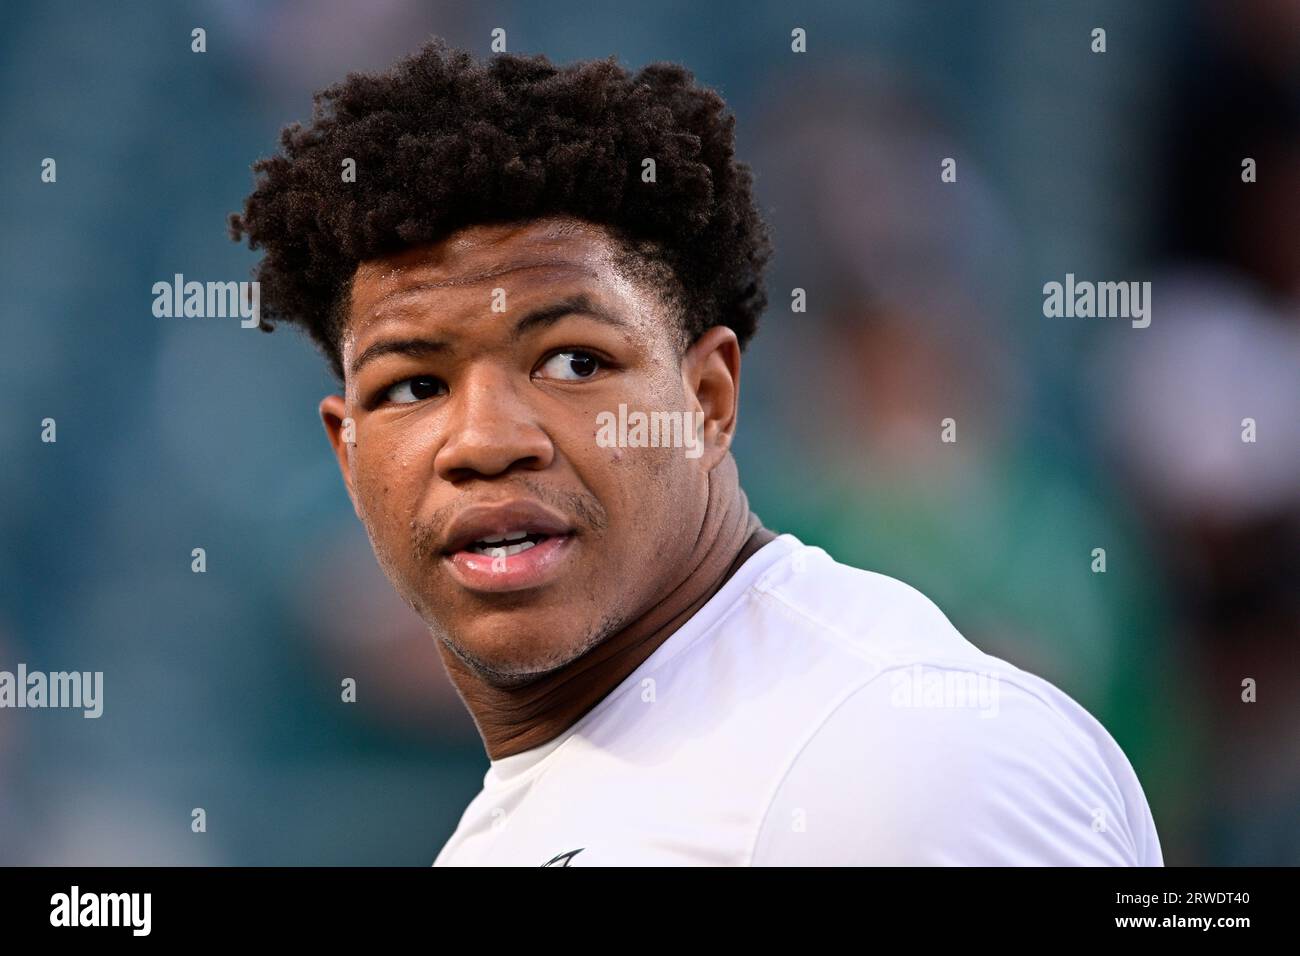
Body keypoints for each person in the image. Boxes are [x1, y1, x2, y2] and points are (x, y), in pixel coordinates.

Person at [230, 38, 1162, 866]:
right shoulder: (512, 827)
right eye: (413, 385)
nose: (485, 441)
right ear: (349, 457)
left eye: (572, 361)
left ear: (708, 401)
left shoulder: (890, 754)